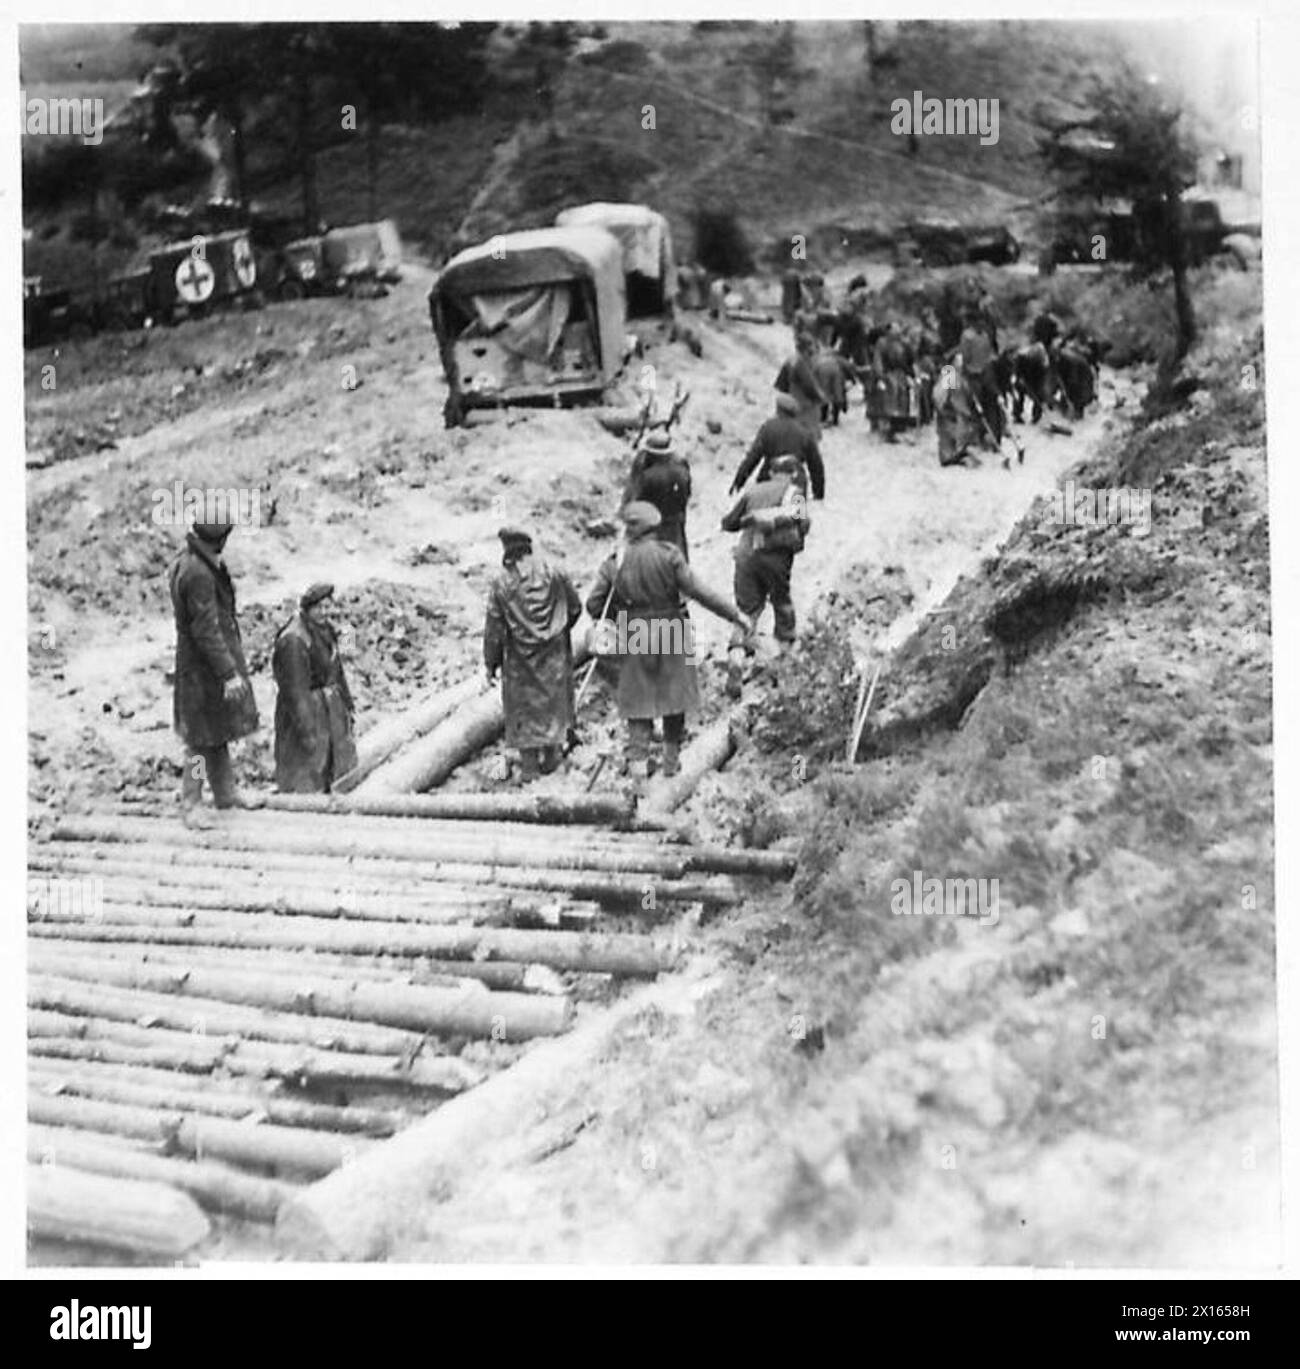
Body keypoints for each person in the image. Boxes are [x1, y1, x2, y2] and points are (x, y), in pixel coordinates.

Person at [585, 502, 749, 779]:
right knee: (673, 698)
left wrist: (620, 613)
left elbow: (594, 604)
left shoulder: (616, 562)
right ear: (654, 529)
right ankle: (671, 764)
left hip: (634, 632)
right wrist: (735, 615)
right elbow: (700, 592)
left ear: (630, 530)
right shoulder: (670, 555)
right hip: (672, 629)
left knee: (640, 702)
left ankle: (637, 766)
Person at [168, 518, 259, 825]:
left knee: (216, 731)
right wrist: (229, 673)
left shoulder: (194, 561)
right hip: (201, 669)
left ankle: (225, 793)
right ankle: (191, 802)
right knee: (199, 741)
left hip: (203, 667)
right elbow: (206, 630)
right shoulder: (198, 573)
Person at [484, 528, 582, 780]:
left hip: (520, 665)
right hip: (555, 661)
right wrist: (559, 635)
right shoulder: (555, 572)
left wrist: (491, 663)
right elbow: (575, 607)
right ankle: (554, 762)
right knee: (554, 714)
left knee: (525, 719)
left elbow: (494, 629)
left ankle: (529, 772)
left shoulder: (501, 584)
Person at [271, 582, 357, 793]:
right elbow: (295, 691)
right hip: (307, 709)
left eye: (328, 607)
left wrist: (347, 703)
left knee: (331, 761)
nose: (324, 613)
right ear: (308, 608)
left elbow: (338, 668)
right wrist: (306, 727)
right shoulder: (294, 639)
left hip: (327, 707)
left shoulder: (324, 630)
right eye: (319, 608)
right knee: (307, 762)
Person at [721, 454, 811, 651]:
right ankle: (784, 648)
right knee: (781, 601)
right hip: (775, 558)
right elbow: (803, 524)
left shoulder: (753, 490)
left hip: (746, 554)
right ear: (792, 474)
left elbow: (729, 523)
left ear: (771, 472)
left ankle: (737, 652)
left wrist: (749, 520)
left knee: (746, 609)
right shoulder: (795, 493)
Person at [730, 392, 825, 500]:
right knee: (796, 515)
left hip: (768, 481)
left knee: (762, 515)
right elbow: (816, 465)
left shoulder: (768, 428)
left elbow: (753, 457)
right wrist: (818, 493)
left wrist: (739, 480)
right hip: (795, 484)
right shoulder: (805, 433)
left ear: (779, 409)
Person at [623, 429, 693, 559]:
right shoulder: (681, 470)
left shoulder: (647, 476)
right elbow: (686, 494)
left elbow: (637, 501)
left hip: (653, 529)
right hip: (675, 524)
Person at [775, 328, 828, 436]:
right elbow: (810, 385)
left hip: (792, 402)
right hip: (805, 407)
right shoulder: (802, 363)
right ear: (808, 347)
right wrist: (822, 398)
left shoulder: (790, 360)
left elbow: (781, 385)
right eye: (812, 345)